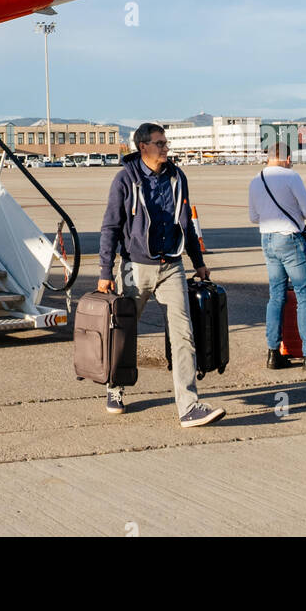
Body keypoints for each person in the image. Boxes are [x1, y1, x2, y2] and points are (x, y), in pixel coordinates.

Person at [97, 123, 225, 428]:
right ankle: (114, 388)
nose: (166, 149)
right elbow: (110, 227)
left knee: (184, 335)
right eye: (160, 144)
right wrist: (105, 272)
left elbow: (187, 225)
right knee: (124, 333)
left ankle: (188, 406)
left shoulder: (178, 177)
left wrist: (198, 261)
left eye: (166, 143)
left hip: (172, 267)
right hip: (134, 268)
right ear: (143, 147)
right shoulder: (125, 179)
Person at [249, 144, 306, 372]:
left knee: (276, 297)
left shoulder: (256, 180)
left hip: (267, 240)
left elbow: (253, 216)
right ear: (287, 158)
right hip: (290, 240)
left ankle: (273, 353)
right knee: (304, 297)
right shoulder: (291, 176)